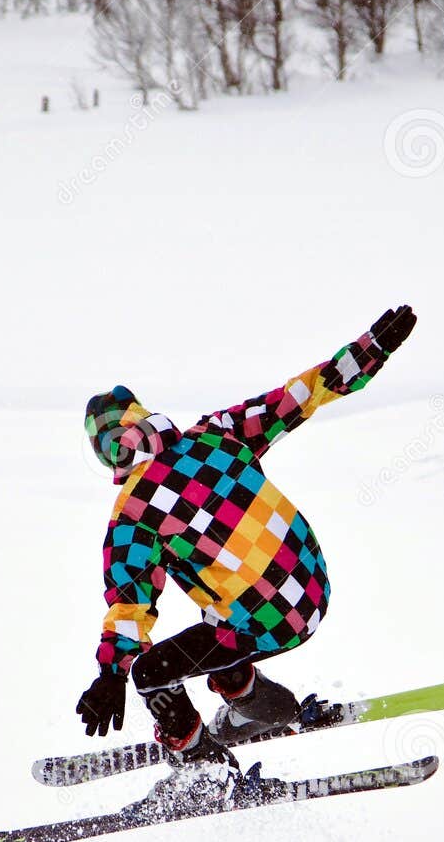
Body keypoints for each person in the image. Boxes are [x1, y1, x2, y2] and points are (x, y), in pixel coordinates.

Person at [75, 306, 418, 781]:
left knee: (153, 673)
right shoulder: (217, 433)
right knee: (217, 614)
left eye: (110, 443)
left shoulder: (132, 514)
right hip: (312, 592)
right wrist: (367, 353)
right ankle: (261, 704)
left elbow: (131, 605)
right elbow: (298, 397)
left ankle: (204, 770)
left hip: (262, 624)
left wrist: (112, 675)